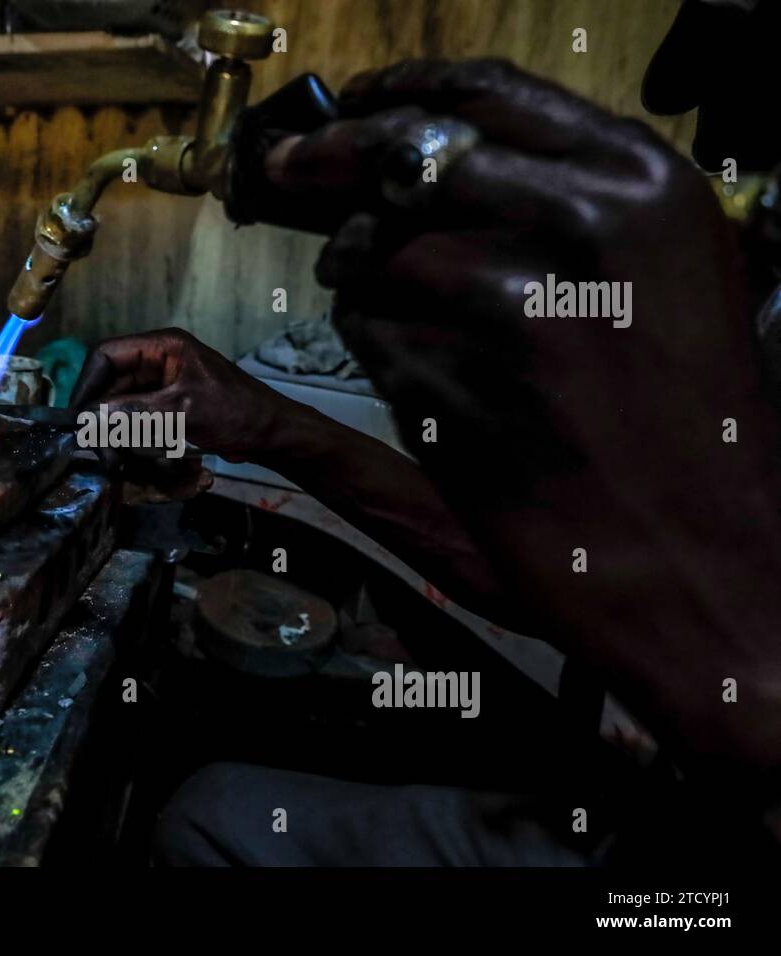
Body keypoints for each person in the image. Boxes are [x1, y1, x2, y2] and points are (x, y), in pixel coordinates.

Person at [71, 0, 781, 865]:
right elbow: (560, 580)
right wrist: (264, 422)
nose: (711, 151)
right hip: (655, 815)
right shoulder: (760, 311)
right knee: (211, 810)